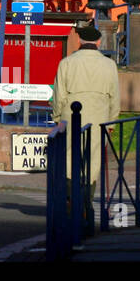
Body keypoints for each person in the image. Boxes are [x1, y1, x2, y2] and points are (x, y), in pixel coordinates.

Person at [51, 21, 120, 206]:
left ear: (80, 41)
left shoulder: (66, 63)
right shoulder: (109, 65)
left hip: (70, 114)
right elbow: (115, 97)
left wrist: (57, 117)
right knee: (94, 157)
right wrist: (112, 122)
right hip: (99, 115)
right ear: (99, 42)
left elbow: (59, 94)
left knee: (69, 154)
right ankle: (86, 200)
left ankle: (69, 196)